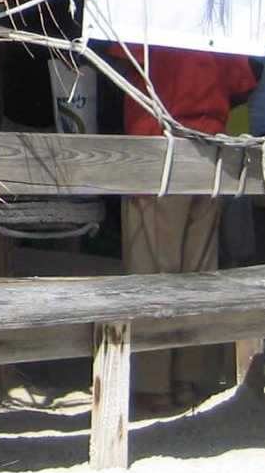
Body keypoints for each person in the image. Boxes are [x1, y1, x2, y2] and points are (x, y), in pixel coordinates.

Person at [107, 43, 256, 413]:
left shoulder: (149, 8)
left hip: (160, 146)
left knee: (153, 270)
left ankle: (152, 385)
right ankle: (188, 379)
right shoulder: (215, 21)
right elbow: (241, 81)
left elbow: (120, 57)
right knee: (198, 270)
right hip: (209, 150)